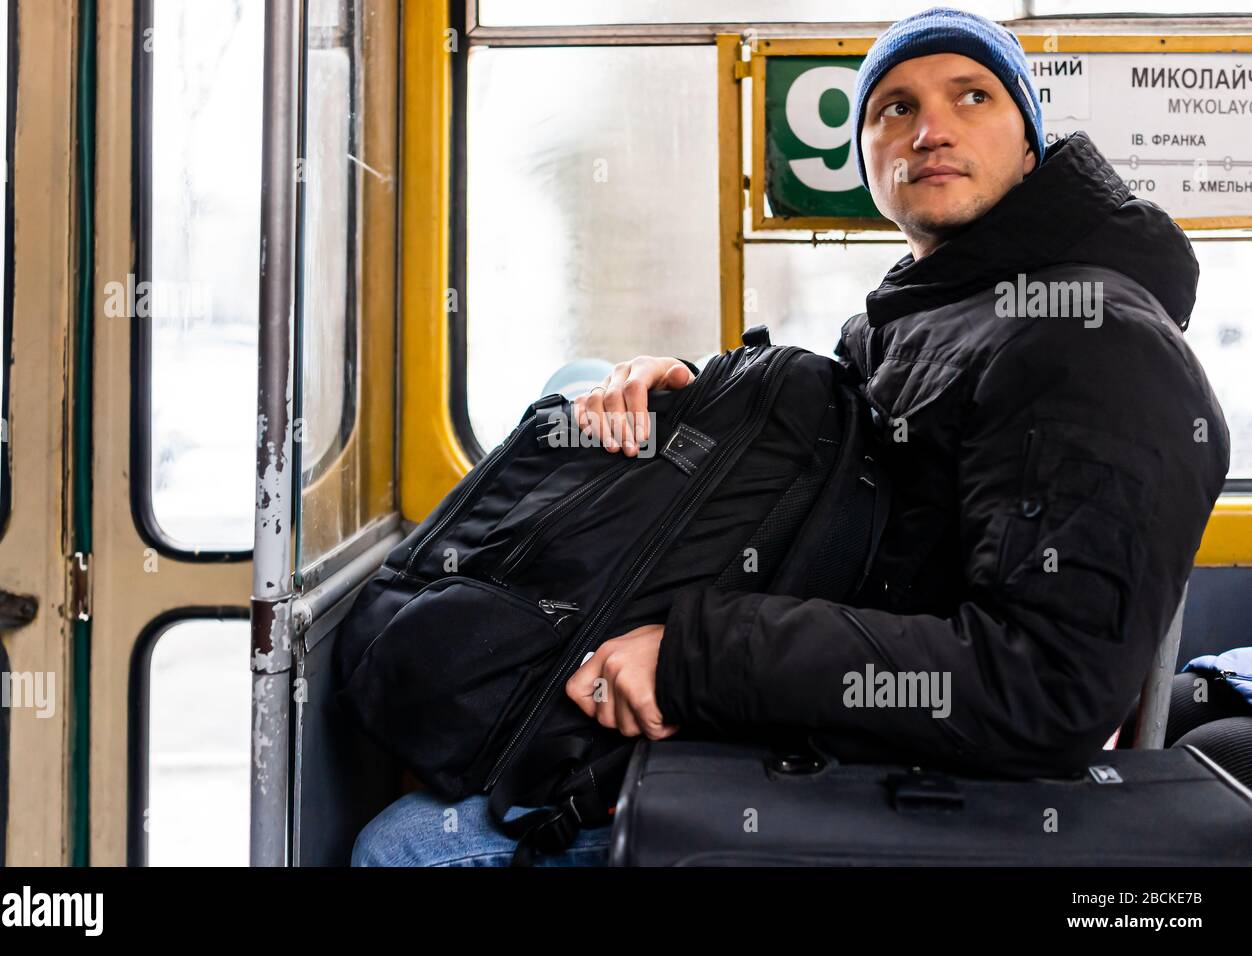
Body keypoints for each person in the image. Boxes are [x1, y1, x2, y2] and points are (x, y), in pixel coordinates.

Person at [352, 6, 1230, 866]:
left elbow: (1043, 686)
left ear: (1031, 145)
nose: (930, 130)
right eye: (896, 108)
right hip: (830, 711)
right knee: (571, 392)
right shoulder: (925, 317)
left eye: (972, 98)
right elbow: (843, 480)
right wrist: (688, 396)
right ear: (870, 162)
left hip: (941, 778)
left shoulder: (1089, 340)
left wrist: (694, 658)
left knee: (405, 849)